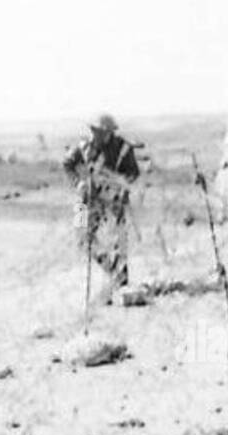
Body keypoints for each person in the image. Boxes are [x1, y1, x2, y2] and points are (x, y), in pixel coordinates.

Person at [62, 113, 140, 301]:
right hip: (84, 200)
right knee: (82, 239)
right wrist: (78, 182)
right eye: (94, 131)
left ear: (110, 132)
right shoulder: (83, 147)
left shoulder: (123, 150)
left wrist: (118, 185)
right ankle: (111, 269)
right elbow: (67, 164)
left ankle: (121, 279)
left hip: (113, 201)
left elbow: (133, 173)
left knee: (119, 241)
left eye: (100, 131)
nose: (96, 135)